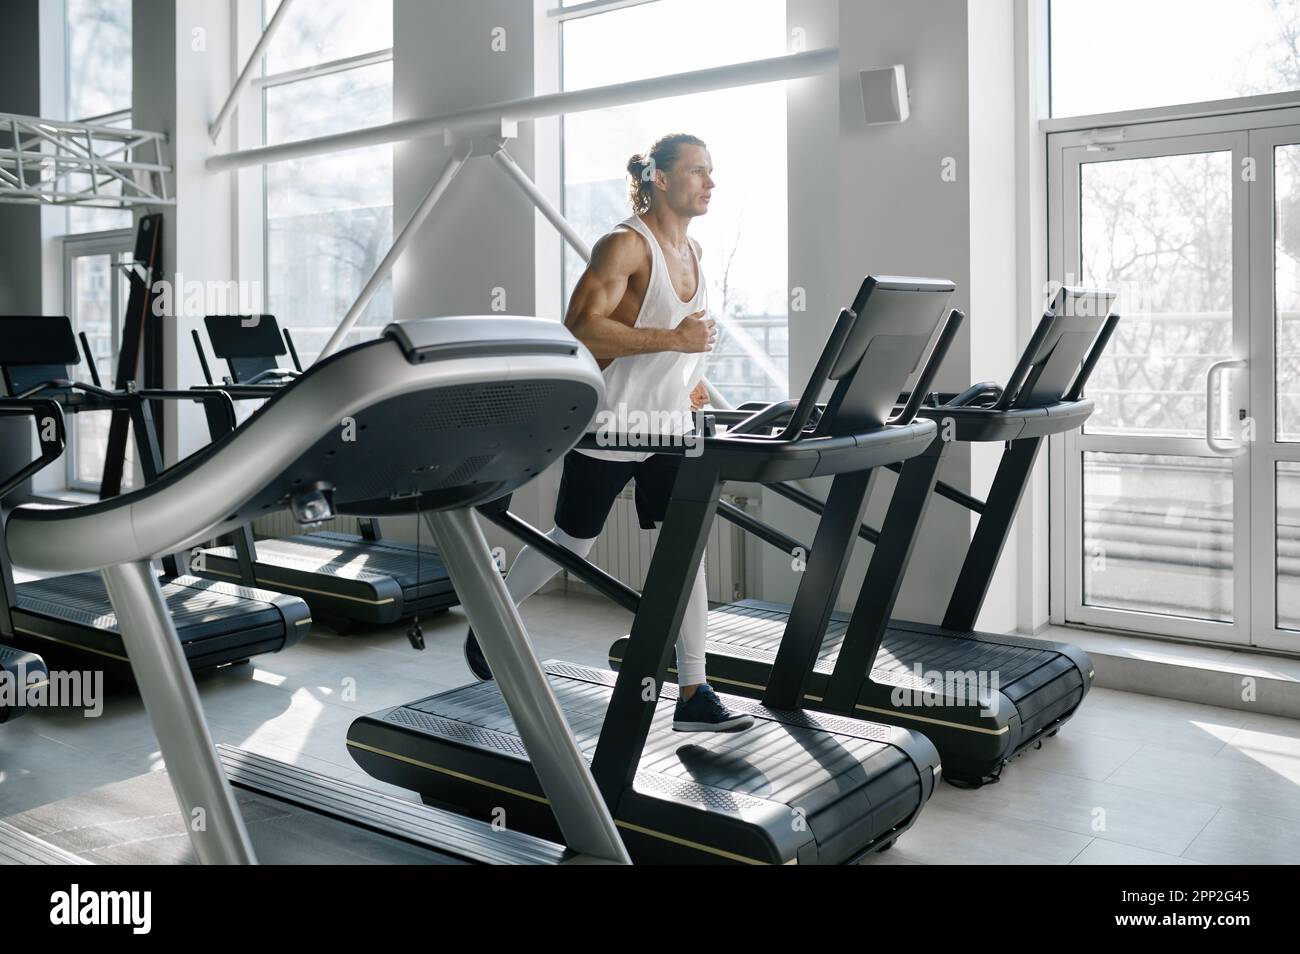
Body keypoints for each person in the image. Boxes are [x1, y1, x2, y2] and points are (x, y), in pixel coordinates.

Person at [464, 132, 753, 733]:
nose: (710, 182)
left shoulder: (695, 251)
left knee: (686, 550)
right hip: (611, 426)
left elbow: (671, 345)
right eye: (698, 171)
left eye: (711, 171)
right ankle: (492, 615)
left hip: (671, 429)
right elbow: (580, 331)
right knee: (572, 542)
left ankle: (694, 692)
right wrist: (675, 342)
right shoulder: (625, 246)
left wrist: (686, 378)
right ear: (662, 180)